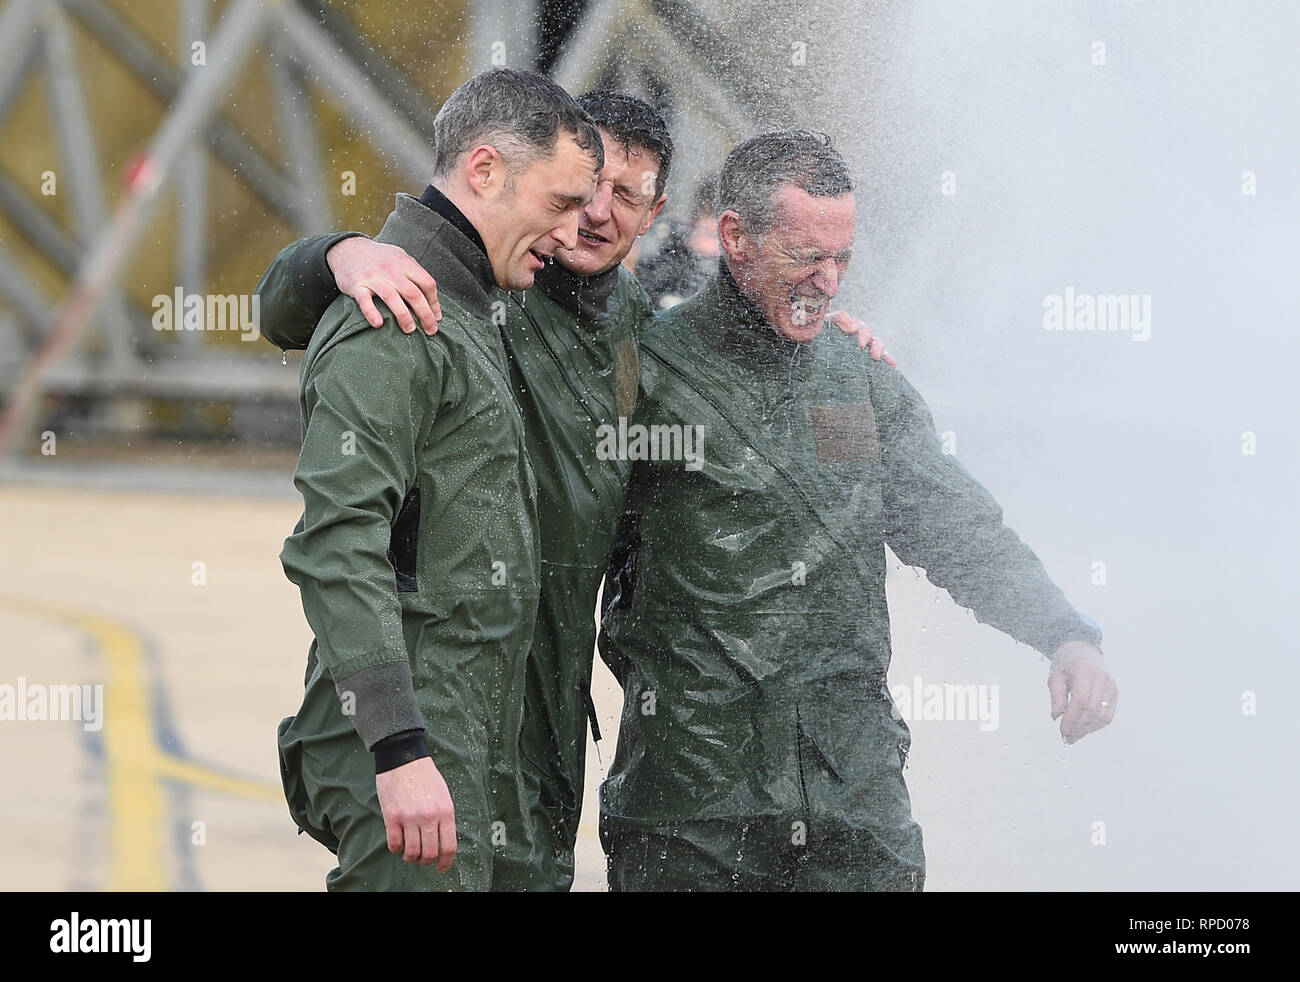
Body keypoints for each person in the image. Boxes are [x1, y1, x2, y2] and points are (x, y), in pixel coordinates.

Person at [258, 96, 893, 891]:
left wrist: (817, 334)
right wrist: (336, 255)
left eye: (625, 196)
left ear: (655, 209)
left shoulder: (638, 338)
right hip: (438, 703)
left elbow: (723, 414)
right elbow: (288, 318)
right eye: (577, 192)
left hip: (547, 724)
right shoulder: (475, 290)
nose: (592, 216)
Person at [598, 129, 1119, 891]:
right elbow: (553, 556)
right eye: (806, 256)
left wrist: (1065, 634)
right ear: (735, 239)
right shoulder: (642, 378)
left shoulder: (857, 383)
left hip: (855, 804)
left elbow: (959, 528)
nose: (829, 282)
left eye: (842, 258)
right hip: (692, 815)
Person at [272, 68, 602, 892]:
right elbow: (336, 542)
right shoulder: (396, 318)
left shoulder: (478, 303)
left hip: (470, 733)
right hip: (413, 739)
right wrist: (397, 746)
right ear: (485, 171)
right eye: (561, 205)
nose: (572, 233)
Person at [635, 173, 721, 309]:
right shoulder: (667, 262)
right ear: (694, 224)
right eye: (712, 235)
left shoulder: (735, 277)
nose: (718, 250)